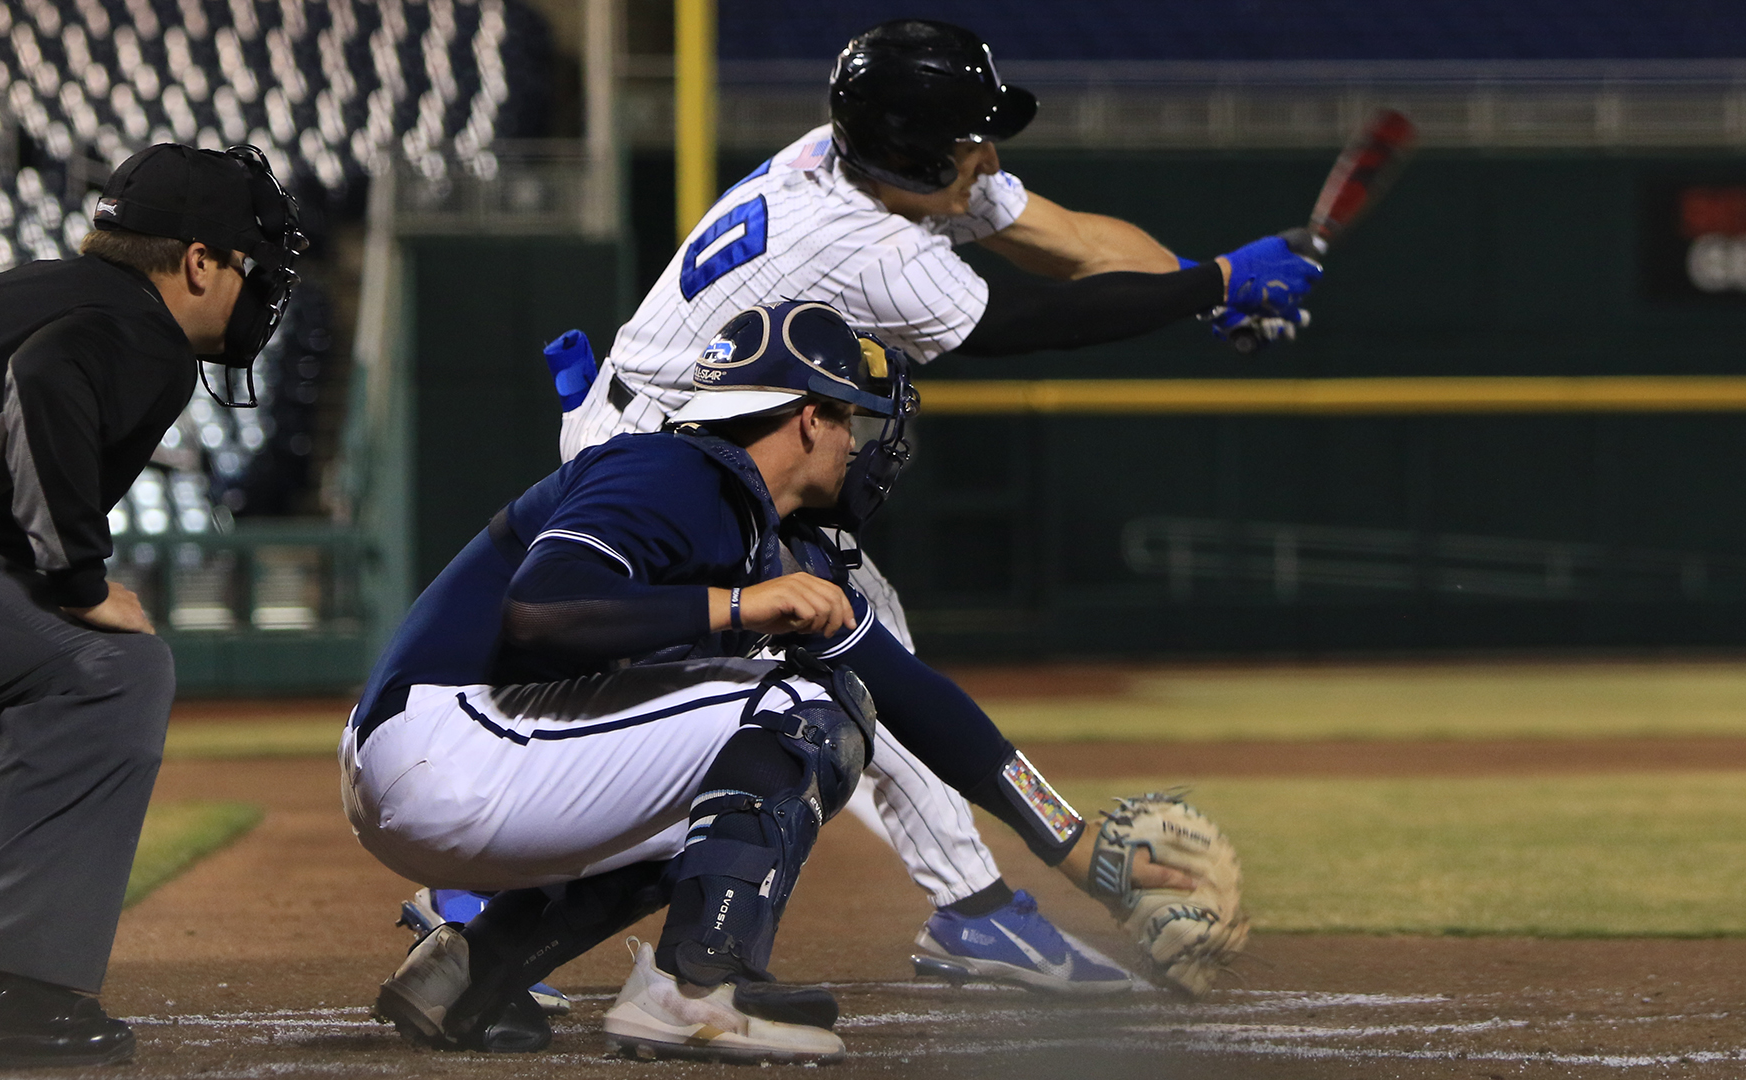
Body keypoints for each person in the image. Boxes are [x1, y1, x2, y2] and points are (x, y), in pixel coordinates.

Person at [545, 18, 1321, 994]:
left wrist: (1205, 290)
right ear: (913, 153)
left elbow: (1077, 245)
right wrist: (1217, 280)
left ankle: (975, 912)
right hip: (664, 458)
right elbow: (1032, 322)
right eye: (970, 140)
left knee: (855, 649)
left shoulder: (864, 162)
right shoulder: (863, 243)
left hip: (700, 432)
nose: (987, 155)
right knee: (811, 684)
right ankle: (481, 914)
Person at [344, 300, 1197, 1063]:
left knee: (726, 793)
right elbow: (541, 610)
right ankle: (696, 989)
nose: (860, 446)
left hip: (464, 763)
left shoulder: (777, 544)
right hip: (442, 745)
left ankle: (470, 970)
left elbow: (919, 702)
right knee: (807, 709)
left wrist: (1081, 850)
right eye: (849, 420)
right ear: (807, 418)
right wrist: (739, 605)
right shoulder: (672, 472)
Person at [0, 142, 305, 1067]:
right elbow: (50, 378)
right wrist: (78, 578)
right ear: (198, 262)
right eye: (251, 268)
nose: (260, 294)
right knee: (109, 670)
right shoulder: (138, 325)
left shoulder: (36, 292)